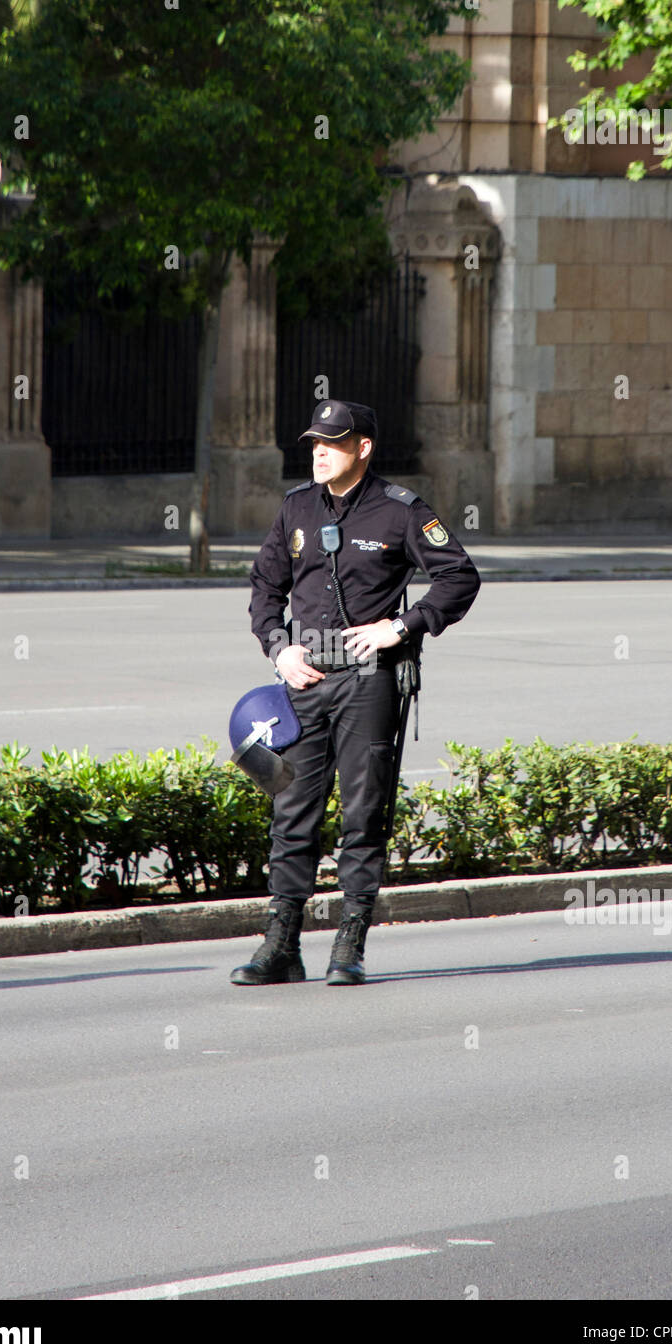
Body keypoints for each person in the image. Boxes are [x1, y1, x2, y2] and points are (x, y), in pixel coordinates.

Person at [230, 398, 481, 986]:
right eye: (314, 442)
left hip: (368, 683)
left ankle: (350, 944)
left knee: (364, 813)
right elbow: (265, 586)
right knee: (291, 814)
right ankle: (281, 946)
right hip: (304, 679)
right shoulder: (295, 507)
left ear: (362, 448)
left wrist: (400, 626)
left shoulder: (401, 511)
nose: (319, 451)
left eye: (332, 442)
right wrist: (278, 647)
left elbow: (459, 576)